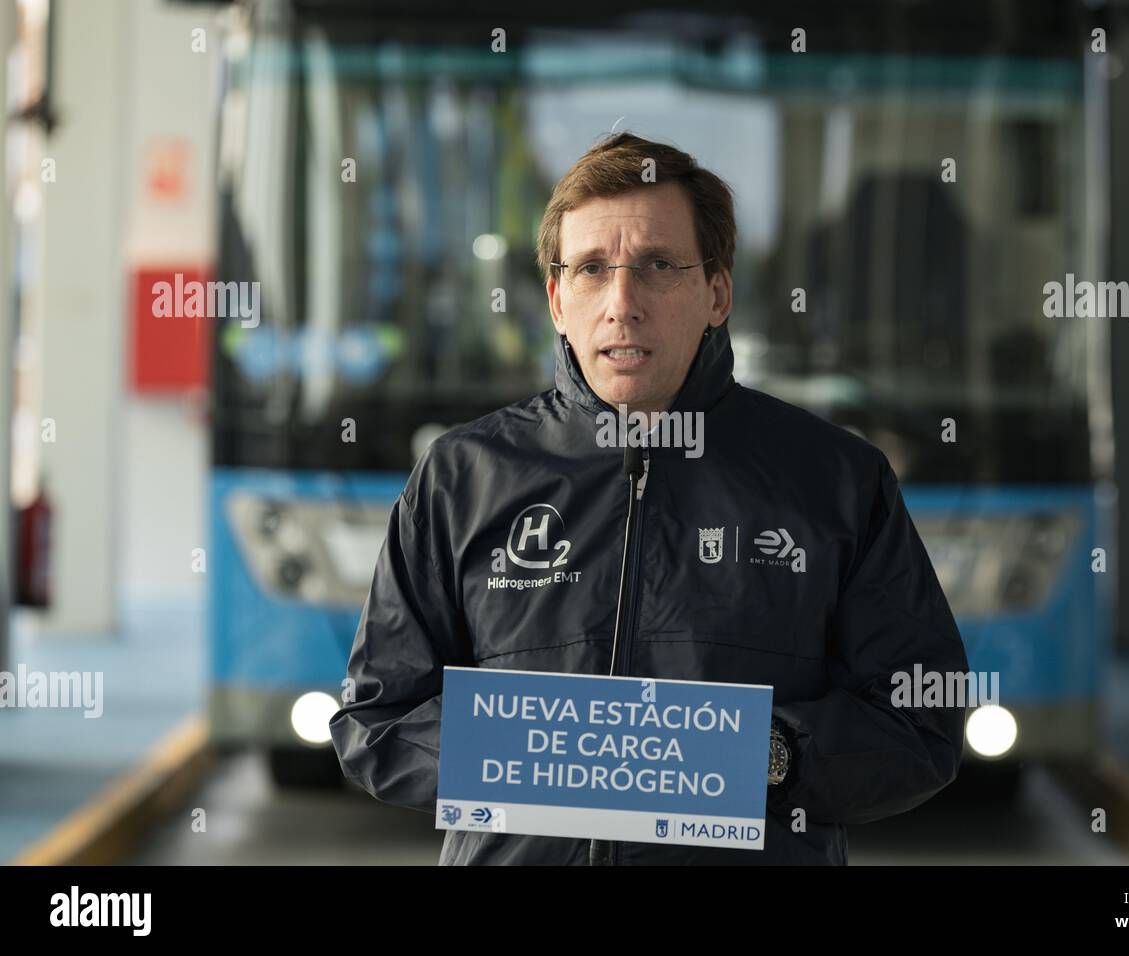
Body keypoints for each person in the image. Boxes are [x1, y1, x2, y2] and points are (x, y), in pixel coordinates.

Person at [330, 131, 970, 865]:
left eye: (659, 266)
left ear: (717, 293)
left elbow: (924, 721)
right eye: (592, 270)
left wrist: (768, 756)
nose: (622, 303)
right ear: (556, 299)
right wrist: (551, 753)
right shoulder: (460, 476)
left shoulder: (837, 481)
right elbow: (374, 721)